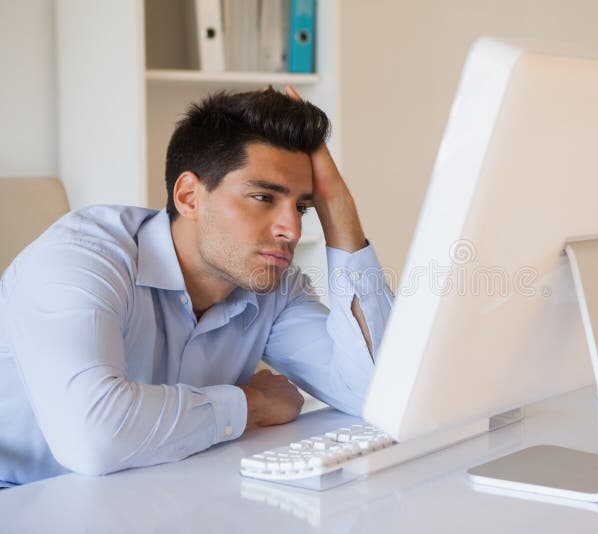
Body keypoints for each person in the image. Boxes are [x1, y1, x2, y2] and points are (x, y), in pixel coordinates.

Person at [0, 86, 393, 487]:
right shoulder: (81, 259)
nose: (291, 230)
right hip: (23, 498)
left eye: (302, 208)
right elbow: (94, 438)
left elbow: (381, 397)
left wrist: (337, 204)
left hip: (157, 492)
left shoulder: (273, 286)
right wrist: (250, 404)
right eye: (263, 197)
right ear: (189, 197)